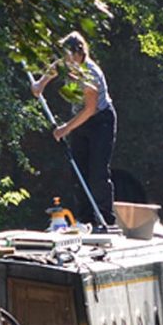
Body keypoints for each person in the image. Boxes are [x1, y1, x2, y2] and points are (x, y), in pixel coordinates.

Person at [32, 30, 117, 228]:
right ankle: (85, 219)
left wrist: (65, 129)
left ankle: (107, 221)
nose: (65, 60)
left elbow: (89, 109)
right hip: (82, 121)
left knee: (98, 172)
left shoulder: (90, 74)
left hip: (100, 121)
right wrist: (40, 84)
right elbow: (55, 68)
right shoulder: (66, 63)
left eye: (68, 56)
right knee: (79, 170)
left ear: (79, 53)